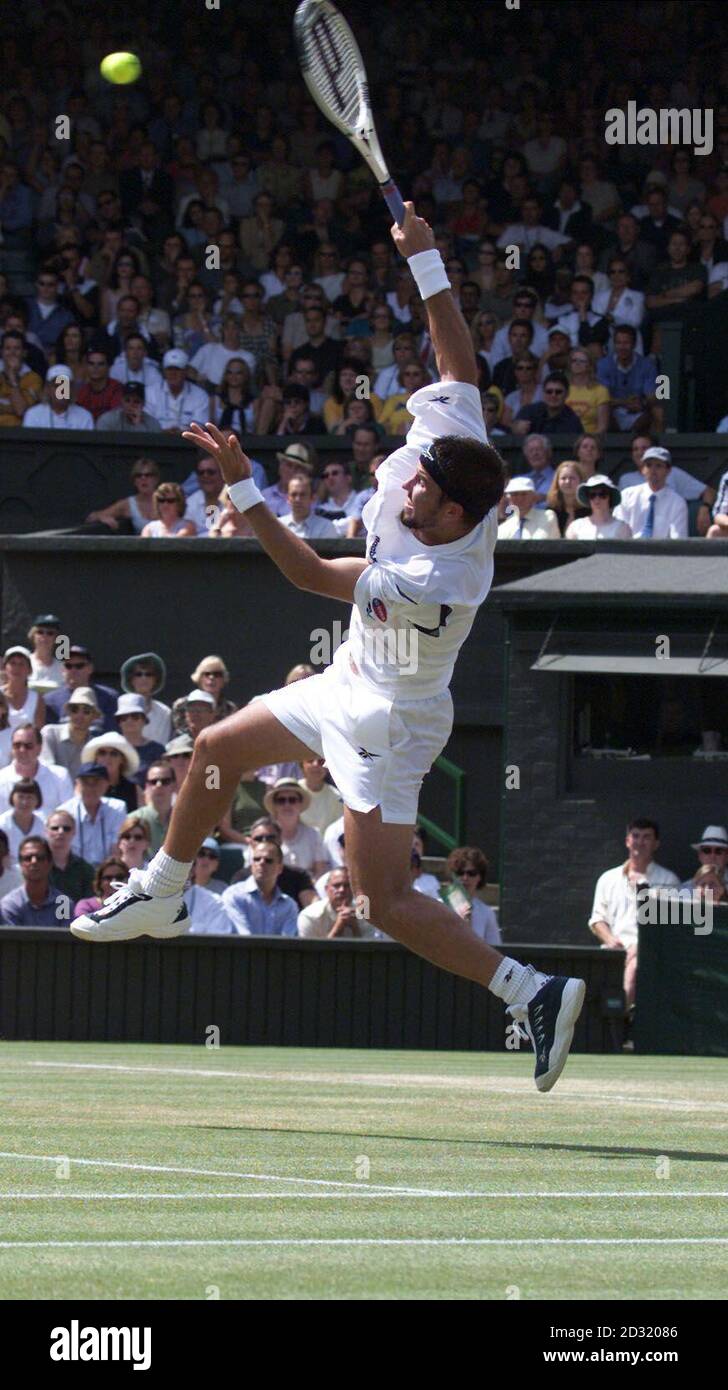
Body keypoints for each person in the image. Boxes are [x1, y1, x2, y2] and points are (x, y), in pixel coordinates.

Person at [72, 202, 586, 1092]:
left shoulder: (442, 579)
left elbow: (310, 573)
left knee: (384, 900)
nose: (409, 477)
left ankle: (530, 991)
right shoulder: (457, 453)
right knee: (219, 748)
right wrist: (427, 263)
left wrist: (244, 488)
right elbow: (457, 356)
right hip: (353, 677)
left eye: (424, 486)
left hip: (389, 720)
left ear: (457, 516)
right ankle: (162, 889)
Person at [588, 817, 679, 1018]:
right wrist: (611, 940)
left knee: (634, 969)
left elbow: (666, 927)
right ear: (627, 840)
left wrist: (638, 948)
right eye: (635, 836)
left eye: (646, 837)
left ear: (656, 844)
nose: (640, 841)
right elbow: (597, 920)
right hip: (612, 953)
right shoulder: (607, 879)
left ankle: (619, 1025)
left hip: (648, 955)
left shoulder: (668, 881)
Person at [221, 840, 298, 936]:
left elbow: (287, 944)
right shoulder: (233, 895)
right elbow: (242, 939)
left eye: (268, 860)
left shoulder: (289, 906)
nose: (261, 863)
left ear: (280, 868)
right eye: (256, 859)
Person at [57, 763, 127, 867]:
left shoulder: (117, 809)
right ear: (77, 784)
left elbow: (116, 849)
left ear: (107, 784)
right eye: (85, 782)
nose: (90, 788)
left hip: (107, 873)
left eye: (96, 782)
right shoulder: (65, 812)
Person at [614, 446, 689, 539]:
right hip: (630, 550)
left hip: (662, 551)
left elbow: (678, 540)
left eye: (658, 466)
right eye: (648, 465)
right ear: (643, 469)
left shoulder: (677, 502)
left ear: (668, 470)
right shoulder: (627, 495)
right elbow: (617, 533)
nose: (653, 470)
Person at [261, 778, 329, 877]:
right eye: (281, 800)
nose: (287, 804)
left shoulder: (313, 834)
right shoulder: (264, 835)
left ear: (300, 804)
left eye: (292, 800)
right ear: (275, 806)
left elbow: (320, 871)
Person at [0, 835, 74, 927]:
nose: (34, 862)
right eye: (27, 858)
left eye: (40, 858)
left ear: (50, 863)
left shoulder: (62, 903)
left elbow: (64, 939)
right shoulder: (11, 904)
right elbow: (12, 940)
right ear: (20, 864)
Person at [0, 724, 73, 815]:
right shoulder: (1, 779)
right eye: (17, 745)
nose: (22, 750)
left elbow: (69, 814)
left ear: (39, 748)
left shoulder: (60, 776)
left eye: (28, 746)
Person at [43, 645, 118, 732]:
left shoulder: (109, 697)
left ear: (90, 668)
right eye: (68, 666)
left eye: (79, 666)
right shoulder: (50, 700)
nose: (73, 670)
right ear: (62, 669)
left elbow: (112, 731)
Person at [86, 457, 161, 534]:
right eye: (138, 475)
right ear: (134, 481)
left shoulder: (168, 500)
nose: (143, 478)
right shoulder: (128, 504)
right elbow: (92, 517)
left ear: (156, 479)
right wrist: (102, 517)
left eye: (148, 475)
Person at [297, 866, 377, 938]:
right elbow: (312, 953)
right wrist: (338, 927)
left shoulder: (365, 913)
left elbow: (368, 952)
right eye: (336, 885)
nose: (342, 890)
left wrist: (355, 928)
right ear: (327, 889)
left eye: (347, 885)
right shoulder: (309, 916)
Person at [40, 685, 101, 779]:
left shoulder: (95, 745)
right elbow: (47, 768)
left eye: (86, 711)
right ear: (68, 712)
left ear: (94, 717)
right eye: (74, 710)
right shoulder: (50, 733)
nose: (79, 716)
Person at [444, 846, 501, 944]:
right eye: (460, 873)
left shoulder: (486, 913)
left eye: (472, 873)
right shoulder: (440, 906)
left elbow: (495, 949)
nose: (465, 878)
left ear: (480, 877)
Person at [147, 350, 210, 433]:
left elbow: (201, 427)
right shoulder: (150, 392)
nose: (173, 373)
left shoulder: (200, 395)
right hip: (154, 441)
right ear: (164, 371)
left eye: (177, 369)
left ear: (185, 371)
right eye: (170, 369)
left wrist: (181, 432)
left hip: (188, 443)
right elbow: (145, 423)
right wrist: (164, 432)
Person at [118, 652, 171, 746]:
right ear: (131, 679)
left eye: (149, 674)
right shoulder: (118, 708)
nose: (144, 678)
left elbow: (163, 744)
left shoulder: (165, 712)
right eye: (138, 674)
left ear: (155, 680)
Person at [80, 733, 140, 814]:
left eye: (114, 753)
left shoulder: (134, 789)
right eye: (102, 753)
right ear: (96, 758)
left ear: (122, 760)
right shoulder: (85, 785)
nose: (107, 757)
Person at [22, 364, 94, 430]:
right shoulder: (33, 415)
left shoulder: (84, 417)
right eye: (57, 386)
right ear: (48, 389)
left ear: (71, 389)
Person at [46, 808, 95, 902]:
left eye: (66, 828)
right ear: (46, 831)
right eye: (55, 828)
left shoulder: (85, 868)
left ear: (74, 832)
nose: (60, 832)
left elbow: (89, 902)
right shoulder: (36, 865)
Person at [513, 371, 582, 438]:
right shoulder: (528, 411)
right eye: (549, 391)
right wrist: (516, 428)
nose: (553, 395)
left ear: (567, 394)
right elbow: (513, 429)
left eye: (558, 392)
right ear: (543, 393)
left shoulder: (573, 422)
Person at [565, 476, 633, 540]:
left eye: (602, 494)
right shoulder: (576, 526)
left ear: (610, 497)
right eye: (592, 495)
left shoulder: (622, 528)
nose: (597, 499)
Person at [130, 761, 176, 854]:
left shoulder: (183, 820)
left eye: (165, 781)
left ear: (174, 785)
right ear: (147, 786)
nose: (159, 785)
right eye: (153, 782)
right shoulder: (133, 819)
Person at [0, 328, 42, 426]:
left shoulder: (34, 379)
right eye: (8, 348)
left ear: (24, 353)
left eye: (17, 348)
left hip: (18, 435)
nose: (12, 352)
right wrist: (12, 407)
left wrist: (12, 377)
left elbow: (20, 410)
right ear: (1, 352)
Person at [0, 778, 46, 863]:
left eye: (30, 797)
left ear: (37, 800)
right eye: (20, 797)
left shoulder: (44, 825)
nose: (24, 802)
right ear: (12, 798)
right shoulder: (2, 825)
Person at [280, 474, 338, 541]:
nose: (297, 499)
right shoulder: (277, 526)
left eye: (302, 495)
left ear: (312, 498)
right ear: (288, 498)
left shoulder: (326, 527)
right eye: (294, 495)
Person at [75, 346, 124, 424]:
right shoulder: (82, 392)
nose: (95, 367)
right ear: (86, 367)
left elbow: (116, 420)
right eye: (91, 364)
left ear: (109, 367)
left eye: (100, 364)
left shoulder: (117, 389)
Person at [1, 646, 45, 731]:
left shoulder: (37, 699)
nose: (17, 668)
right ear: (5, 668)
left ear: (30, 670)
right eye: (12, 663)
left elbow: (39, 733)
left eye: (21, 664)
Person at [298, 755, 342, 836]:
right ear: (302, 765)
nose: (316, 764)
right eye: (310, 760)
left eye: (321, 761)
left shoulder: (336, 796)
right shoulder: (292, 793)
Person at [96, 382, 162, 433]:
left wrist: (138, 424)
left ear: (143, 404)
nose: (131, 405)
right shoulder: (107, 420)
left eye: (136, 401)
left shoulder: (153, 424)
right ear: (121, 401)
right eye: (127, 400)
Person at [545, 461, 589, 536]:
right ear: (557, 482)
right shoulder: (551, 511)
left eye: (572, 478)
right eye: (563, 478)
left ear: (581, 480)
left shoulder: (589, 509)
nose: (567, 481)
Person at [27, 613, 65, 691]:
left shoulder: (63, 668)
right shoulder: (23, 664)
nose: (44, 636)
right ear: (33, 635)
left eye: (50, 633)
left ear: (56, 638)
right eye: (40, 632)